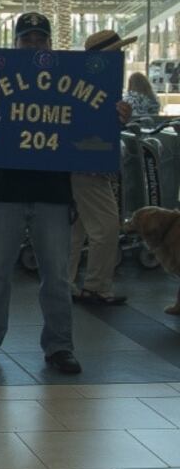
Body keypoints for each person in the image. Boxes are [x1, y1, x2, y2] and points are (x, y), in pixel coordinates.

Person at [0, 12, 89, 374]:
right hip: (6, 191)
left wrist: (115, 117)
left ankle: (60, 346)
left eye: (39, 39)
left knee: (57, 276)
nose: (33, 44)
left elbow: (91, 125)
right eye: (26, 38)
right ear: (15, 43)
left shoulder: (67, 81)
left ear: (49, 43)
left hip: (53, 193)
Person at [67, 30, 136, 307]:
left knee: (77, 229)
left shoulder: (83, 83)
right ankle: (96, 286)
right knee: (106, 227)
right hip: (89, 166)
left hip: (81, 164)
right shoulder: (99, 83)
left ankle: (66, 283)